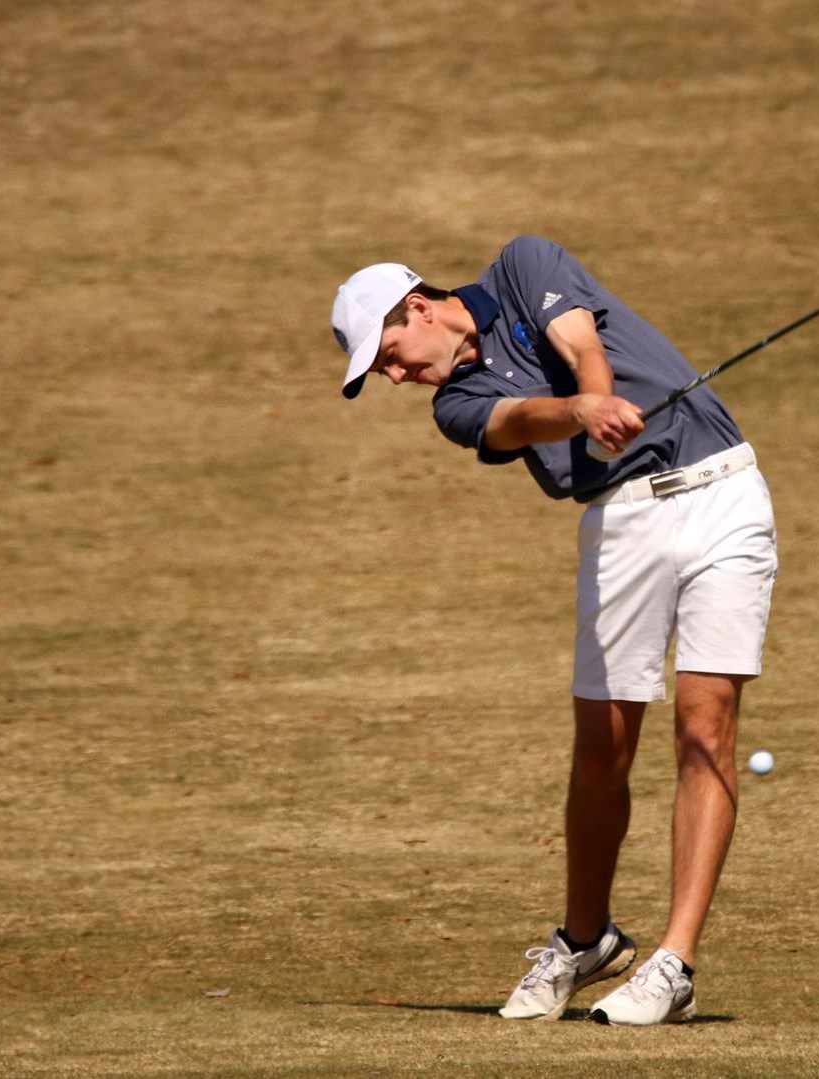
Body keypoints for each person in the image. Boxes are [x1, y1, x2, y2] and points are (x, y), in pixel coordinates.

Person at [327, 237, 778, 1026]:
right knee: (602, 747)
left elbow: (578, 342)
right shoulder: (452, 407)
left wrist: (595, 397)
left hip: (722, 494)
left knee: (705, 723)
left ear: (420, 307)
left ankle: (675, 962)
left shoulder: (523, 264)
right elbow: (516, 420)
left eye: (389, 354)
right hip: (621, 526)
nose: (395, 377)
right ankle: (585, 937)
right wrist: (579, 411)